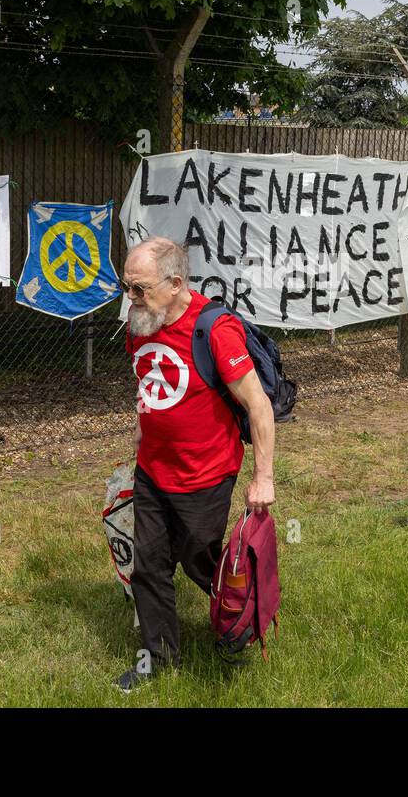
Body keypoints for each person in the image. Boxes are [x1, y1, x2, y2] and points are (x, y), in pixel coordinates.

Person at [116, 236, 275, 691]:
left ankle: (238, 621)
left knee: (199, 562)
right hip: (153, 471)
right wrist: (142, 433)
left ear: (176, 283)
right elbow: (149, 381)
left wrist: (263, 478)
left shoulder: (215, 329)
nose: (131, 298)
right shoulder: (142, 320)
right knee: (148, 565)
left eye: (140, 288)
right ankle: (157, 657)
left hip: (206, 475)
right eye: (127, 286)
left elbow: (258, 406)